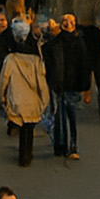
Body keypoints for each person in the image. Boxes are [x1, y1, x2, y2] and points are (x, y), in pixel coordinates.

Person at [0, 22, 49, 168]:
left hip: (17, 99)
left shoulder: (11, 59)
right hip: (33, 100)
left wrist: (2, 98)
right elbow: (42, 83)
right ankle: (28, 153)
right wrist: (44, 101)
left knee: (22, 127)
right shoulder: (36, 60)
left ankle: (23, 155)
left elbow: (4, 80)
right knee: (29, 127)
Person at [39, 16, 88, 160]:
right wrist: (50, 34)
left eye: (71, 21)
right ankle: (61, 145)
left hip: (73, 83)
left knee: (70, 113)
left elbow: (85, 63)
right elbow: (46, 54)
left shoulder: (79, 41)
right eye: (65, 20)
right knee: (60, 114)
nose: (67, 23)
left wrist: (86, 86)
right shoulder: (57, 41)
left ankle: (71, 145)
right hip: (59, 82)